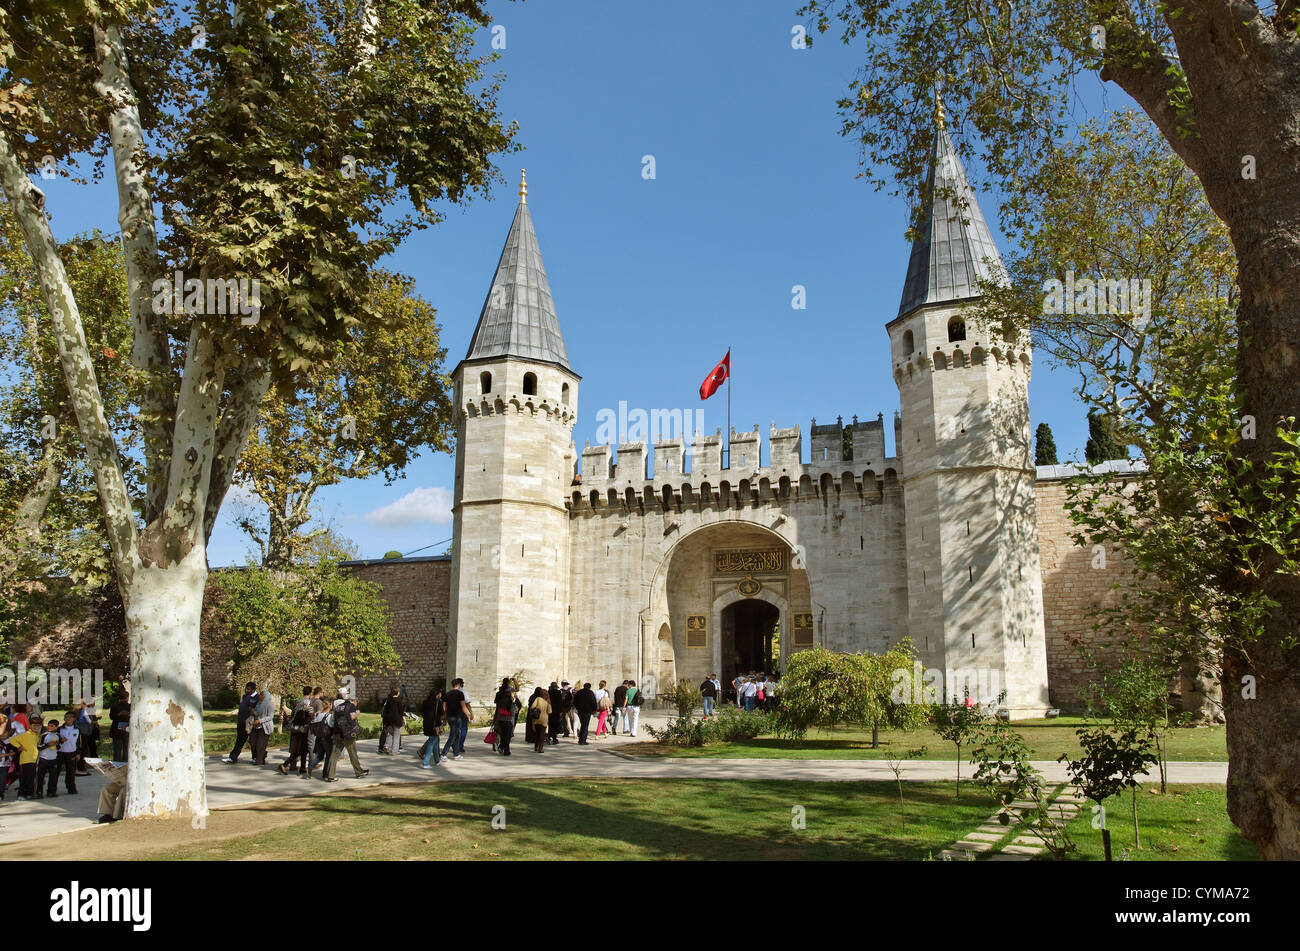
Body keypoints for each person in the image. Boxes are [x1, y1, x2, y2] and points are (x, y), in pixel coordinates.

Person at [323, 689, 369, 782]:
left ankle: (330, 775)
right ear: (353, 700)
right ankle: (359, 772)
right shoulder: (351, 706)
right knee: (353, 754)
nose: (356, 704)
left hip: (337, 733)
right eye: (356, 702)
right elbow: (351, 717)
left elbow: (334, 719)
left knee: (334, 755)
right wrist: (357, 714)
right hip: (347, 734)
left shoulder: (338, 707)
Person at [279, 687, 315, 775]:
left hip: (295, 727)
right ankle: (285, 764)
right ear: (310, 693)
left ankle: (302, 767)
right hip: (303, 727)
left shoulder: (298, 701)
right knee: (300, 749)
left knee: (302, 748)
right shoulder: (308, 703)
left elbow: (292, 714)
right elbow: (311, 715)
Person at [221, 682, 258, 764]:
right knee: (239, 741)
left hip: (250, 723)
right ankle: (233, 758)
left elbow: (258, 711)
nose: (246, 690)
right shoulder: (244, 696)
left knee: (252, 741)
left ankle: (256, 758)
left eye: (248, 689)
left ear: (253, 689)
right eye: (246, 688)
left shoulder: (257, 698)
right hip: (241, 722)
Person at [7, 715, 38, 800]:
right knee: (24, 778)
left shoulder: (36, 735)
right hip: (25, 760)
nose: (36, 727)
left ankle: (29, 793)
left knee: (31, 778)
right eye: (34, 725)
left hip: (33, 759)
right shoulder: (25, 734)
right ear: (30, 725)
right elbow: (11, 740)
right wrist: (19, 746)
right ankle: (21, 794)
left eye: (38, 725)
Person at [441, 678, 470, 760]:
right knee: (453, 735)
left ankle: (456, 754)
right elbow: (463, 706)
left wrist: (444, 717)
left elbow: (444, 707)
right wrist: (468, 715)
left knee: (457, 734)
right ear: (458, 685)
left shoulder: (448, 693)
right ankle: (443, 754)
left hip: (449, 716)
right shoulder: (460, 694)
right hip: (457, 717)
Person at [249, 687, 276, 765]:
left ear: (266, 696)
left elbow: (270, 716)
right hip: (256, 726)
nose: (260, 696)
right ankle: (257, 756)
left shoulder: (269, 704)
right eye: (260, 694)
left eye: (261, 694)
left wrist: (260, 721)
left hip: (264, 727)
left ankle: (259, 760)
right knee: (252, 742)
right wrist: (252, 711)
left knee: (260, 744)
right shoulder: (258, 704)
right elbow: (257, 714)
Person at [419, 687, 444, 769]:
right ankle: (425, 763)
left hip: (427, 723)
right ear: (437, 694)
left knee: (435, 741)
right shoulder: (438, 702)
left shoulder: (425, 702)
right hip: (435, 725)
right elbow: (442, 713)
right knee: (431, 743)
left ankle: (437, 760)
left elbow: (422, 712)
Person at [56, 712, 80, 794]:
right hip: (60, 753)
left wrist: (78, 753)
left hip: (71, 753)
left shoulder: (77, 729)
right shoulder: (60, 729)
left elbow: (79, 743)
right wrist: (61, 741)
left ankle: (71, 788)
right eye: (66, 717)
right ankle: (52, 789)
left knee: (71, 772)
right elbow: (55, 740)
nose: (68, 719)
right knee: (56, 771)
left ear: (74, 719)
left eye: (70, 717)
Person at [36, 718, 61, 798]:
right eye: (49, 725)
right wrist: (47, 745)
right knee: (40, 776)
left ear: (56, 727)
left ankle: (51, 791)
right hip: (43, 758)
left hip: (53, 758)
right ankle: (39, 792)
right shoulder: (44, 735)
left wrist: (57, 744)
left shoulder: (58, 735)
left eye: (52, 726)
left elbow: (59, 747)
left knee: (53, 776)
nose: (49, 727)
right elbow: (38, 747)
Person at [492, 678, 517, 756]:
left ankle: (498, 744)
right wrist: (515, 681)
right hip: (507, 717)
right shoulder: (509, 695)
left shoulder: (499, 692)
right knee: (507, 733)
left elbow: (495, 702)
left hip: (499, 714)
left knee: (499, 730)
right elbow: (517, 689)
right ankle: (504, 748)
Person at [380, 686, 404, 755]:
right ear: (397, 693)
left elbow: (387, 710)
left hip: (389, 719)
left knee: (391, 733)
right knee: (396, 735)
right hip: (397, 719)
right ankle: (394, 751)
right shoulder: (399, 701)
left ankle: (387, 745)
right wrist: (403, 718)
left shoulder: (389, 700)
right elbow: (401, 711)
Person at [109, 693, 131, 762]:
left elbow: (111, 717)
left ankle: (117, 764)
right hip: (127, 730)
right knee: (126, 749)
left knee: (117, 750)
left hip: (116, 730)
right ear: (127, 697)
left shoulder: (114, 706)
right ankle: (125, 764)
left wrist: (118, 715)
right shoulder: (130, 706)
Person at [528, 688, 551, 753]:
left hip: (537, 719)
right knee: (542, 735)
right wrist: (548, 703)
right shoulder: (547, 702)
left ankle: (536, 746)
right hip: (544, 720)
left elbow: (532, 706)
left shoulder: (537, 699)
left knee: (537, 734)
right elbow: (550, 712)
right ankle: (540, 749)